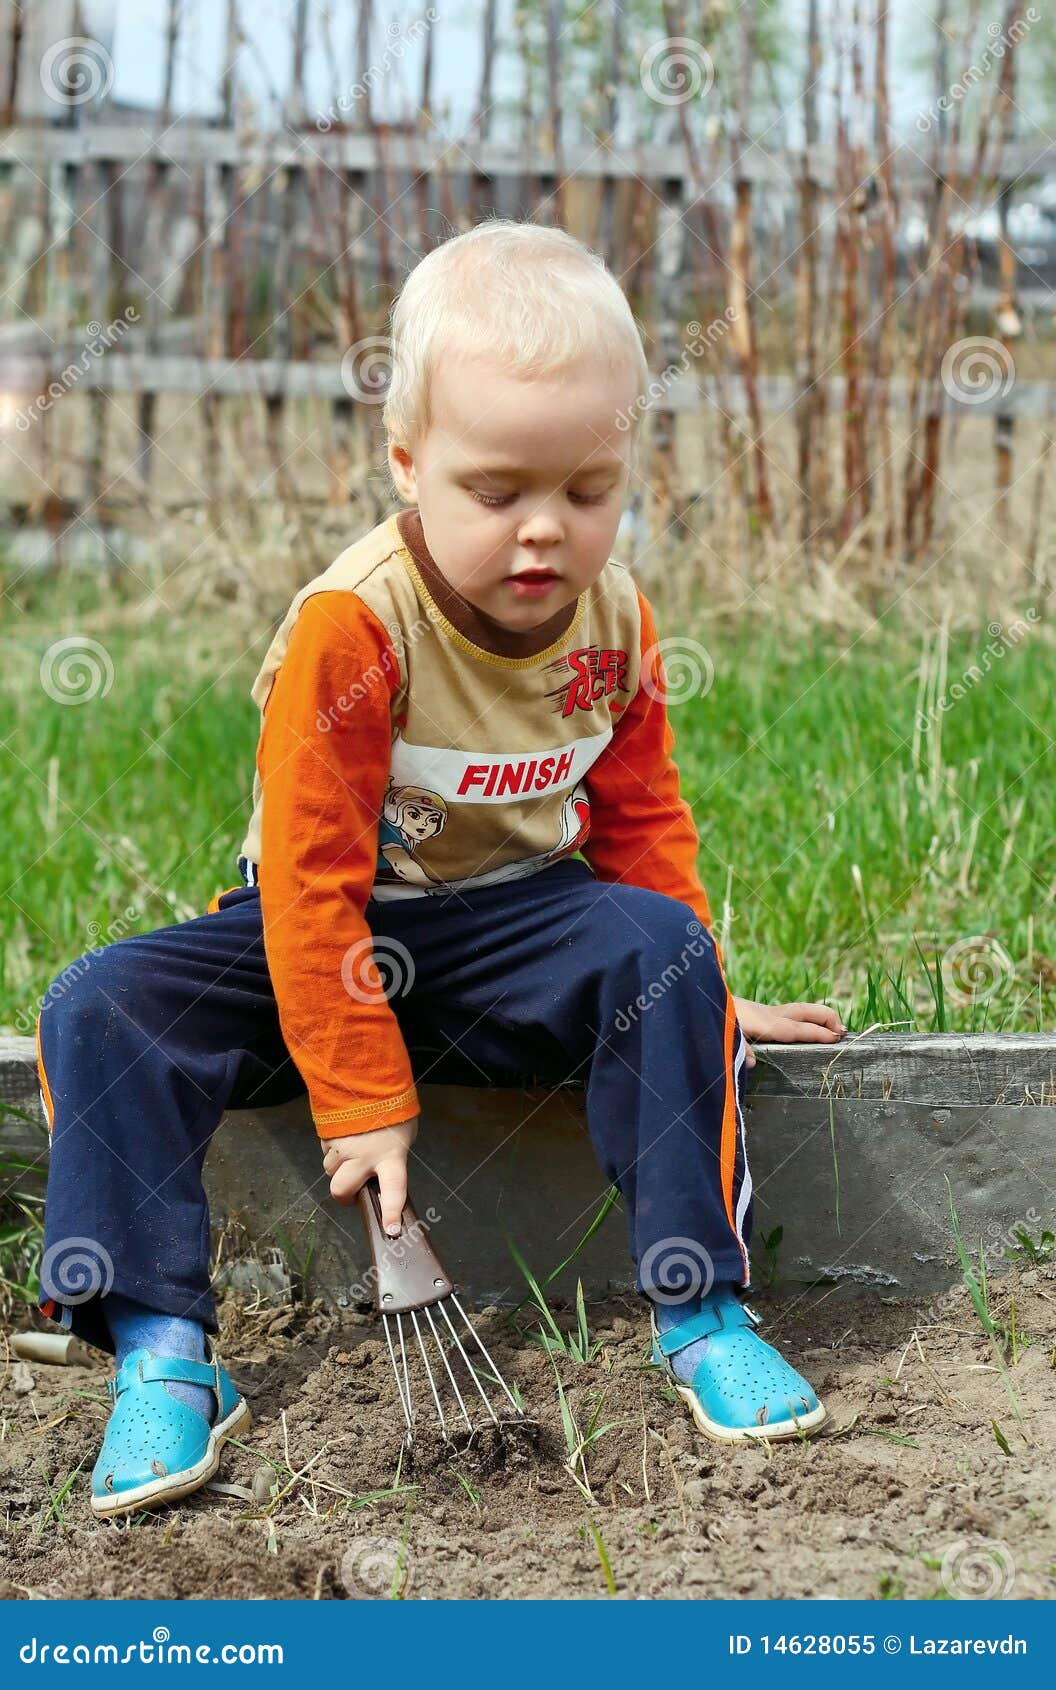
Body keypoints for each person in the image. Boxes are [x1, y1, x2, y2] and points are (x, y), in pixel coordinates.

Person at [34, 219, 847, 1518]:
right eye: (497, 490)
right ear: (408, 463)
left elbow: (640, 824)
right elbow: (306, 881)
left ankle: (701, 1307)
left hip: (514, 927)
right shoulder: (354, 626)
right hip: (324, 929)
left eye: (586, 492)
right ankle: (163, 1349)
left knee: (663, 949)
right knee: (100, 1006)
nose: (544, 534)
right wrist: (358, 1093)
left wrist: (699, 1000)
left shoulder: (614, 619)